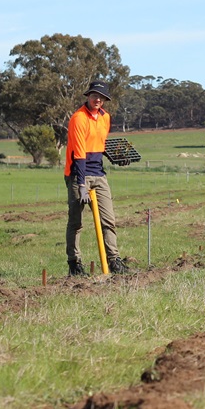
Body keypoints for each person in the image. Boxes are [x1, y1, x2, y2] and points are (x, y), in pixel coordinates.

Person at [64, 80, 129, 276]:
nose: (97, 99)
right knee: (76, 222)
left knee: (108, 220)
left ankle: (114, 260)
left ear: (105, 100)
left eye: (101, 97)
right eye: (94, 95)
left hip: (99, 175)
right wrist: (81, 184)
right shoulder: (78, 118)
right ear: (88, 96)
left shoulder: (105, 117)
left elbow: (99, 143)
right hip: (78, 174)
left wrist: (116, 156)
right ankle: (74, 264)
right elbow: (79, 153)